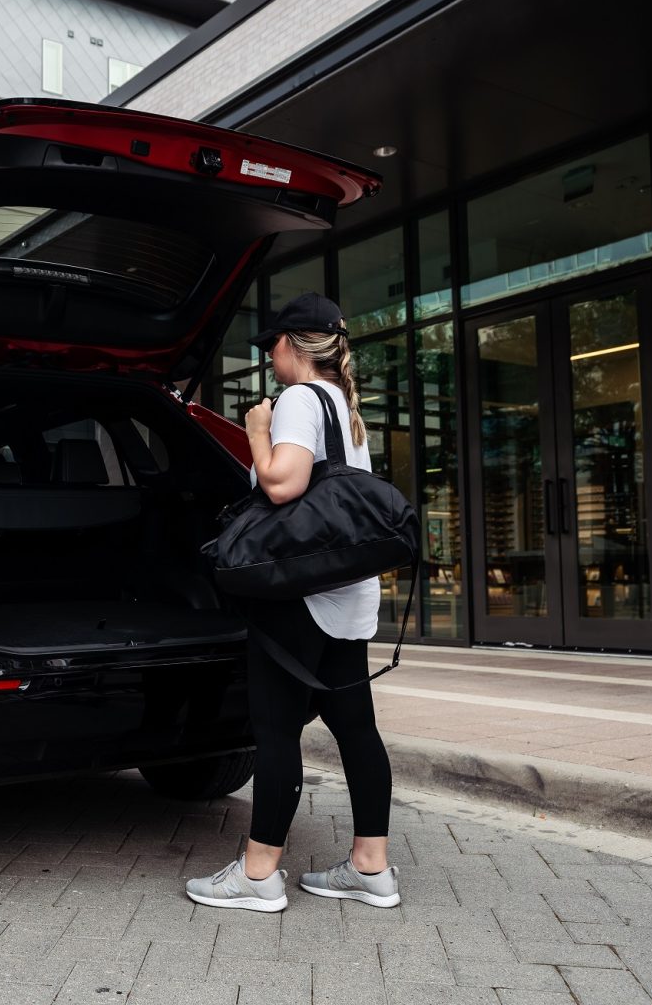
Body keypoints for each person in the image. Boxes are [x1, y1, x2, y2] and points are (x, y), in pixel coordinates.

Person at [185, 292, 398, 913]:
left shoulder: (301, 400)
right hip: (345, 593)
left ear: (294, 346)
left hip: (301, 595)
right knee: (357, 729)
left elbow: (283, 484)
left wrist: (256, 432)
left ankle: (258, 876)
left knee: (274, 730)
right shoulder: (344, 405)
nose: (269, 356)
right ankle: (370, 868)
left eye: (273, 345)